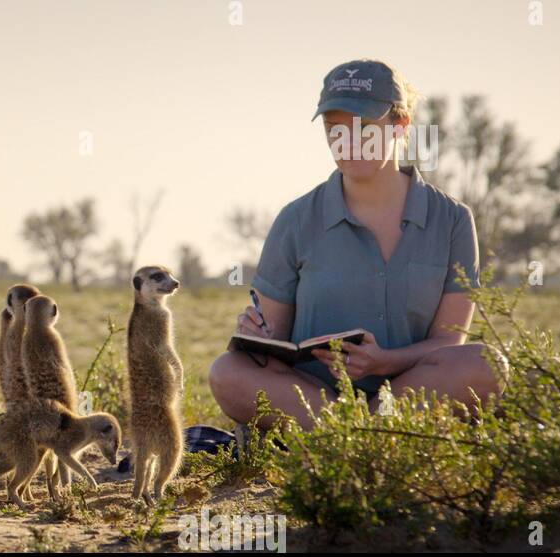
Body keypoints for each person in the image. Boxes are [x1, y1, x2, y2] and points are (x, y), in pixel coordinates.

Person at [208, 59, 503, 431]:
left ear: (401, 126)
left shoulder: (453, 220)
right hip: (311, 399)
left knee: (487, 363)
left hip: (410, 393)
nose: (347, 142)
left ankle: (360, 433)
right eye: (334, 129)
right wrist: (256, 338)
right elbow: (274, 343)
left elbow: (448, 341)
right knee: (227, 371)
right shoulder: (295, 219)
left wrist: (386, 362)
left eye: (364, 127)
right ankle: (358, 433)